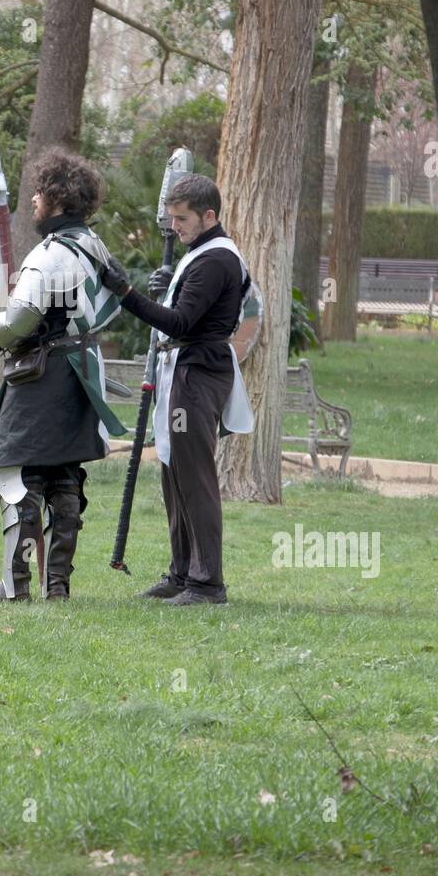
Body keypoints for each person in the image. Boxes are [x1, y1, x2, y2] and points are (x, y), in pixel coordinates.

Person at [0, 148, 126, 602]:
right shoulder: (96, 247)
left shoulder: (52, 253)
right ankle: (55, 586)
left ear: (57, 198)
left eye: (39, 193)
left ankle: (14, 586)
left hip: (40, 373)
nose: (34, 201)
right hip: (80, 370)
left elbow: (19, 321)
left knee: (17, 479)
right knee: (63, 475)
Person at [101, 174, 254, 607]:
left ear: (210, 215)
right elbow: (179, 310)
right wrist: (165, 288)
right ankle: (183, 572)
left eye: (182, 219)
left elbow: (180, 323)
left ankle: (207, 584)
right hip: (183, 371)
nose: (175, 227)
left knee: (194, 475)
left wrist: (126, 293)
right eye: (171, 218)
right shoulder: (199, 255)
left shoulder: (215, 260)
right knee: (173, 472)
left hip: (197, 373)